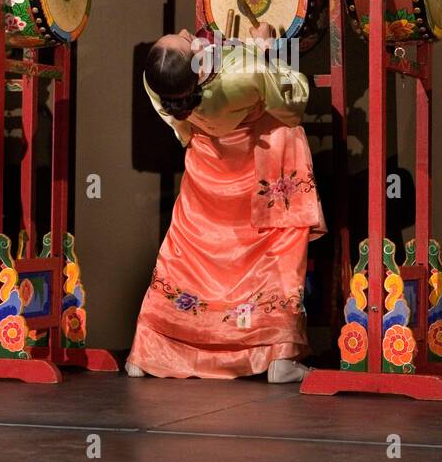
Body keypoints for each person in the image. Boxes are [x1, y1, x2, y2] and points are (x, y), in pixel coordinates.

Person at [127, 23, 324, 382]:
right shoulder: (243, 72)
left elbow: (182, 127)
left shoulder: (156, 81)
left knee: (188, 256)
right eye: (187, 40)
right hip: (261, 170)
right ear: (198, 62)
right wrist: (265, 50)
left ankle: (151, 349)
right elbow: (294, 101)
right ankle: (279, 355)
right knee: (279, 251)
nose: (188, 31)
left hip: (209, 171)